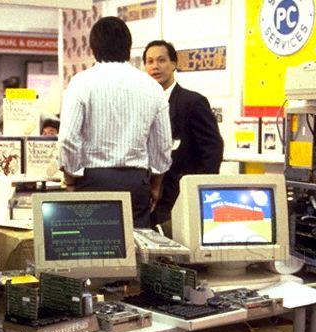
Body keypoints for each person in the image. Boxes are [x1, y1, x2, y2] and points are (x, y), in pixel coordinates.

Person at [59, 16, 172, 228]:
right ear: (128, 47)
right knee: (135, 250)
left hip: (92, 181)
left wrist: (71, 179)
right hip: (136, 182)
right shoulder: (151, 86)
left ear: (93, 47)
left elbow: (67, 138)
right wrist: (155, 184)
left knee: (92, 252)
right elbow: (163, 144)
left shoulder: (81, 82)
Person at [143, 40, 224, 227]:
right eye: (150, 61)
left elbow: (213, 148)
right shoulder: (142, 102)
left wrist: (201, 190)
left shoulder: (192, 102)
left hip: (180, 194)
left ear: (174, 64)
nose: (155, 66)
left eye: (161, 60)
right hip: (149, 194)